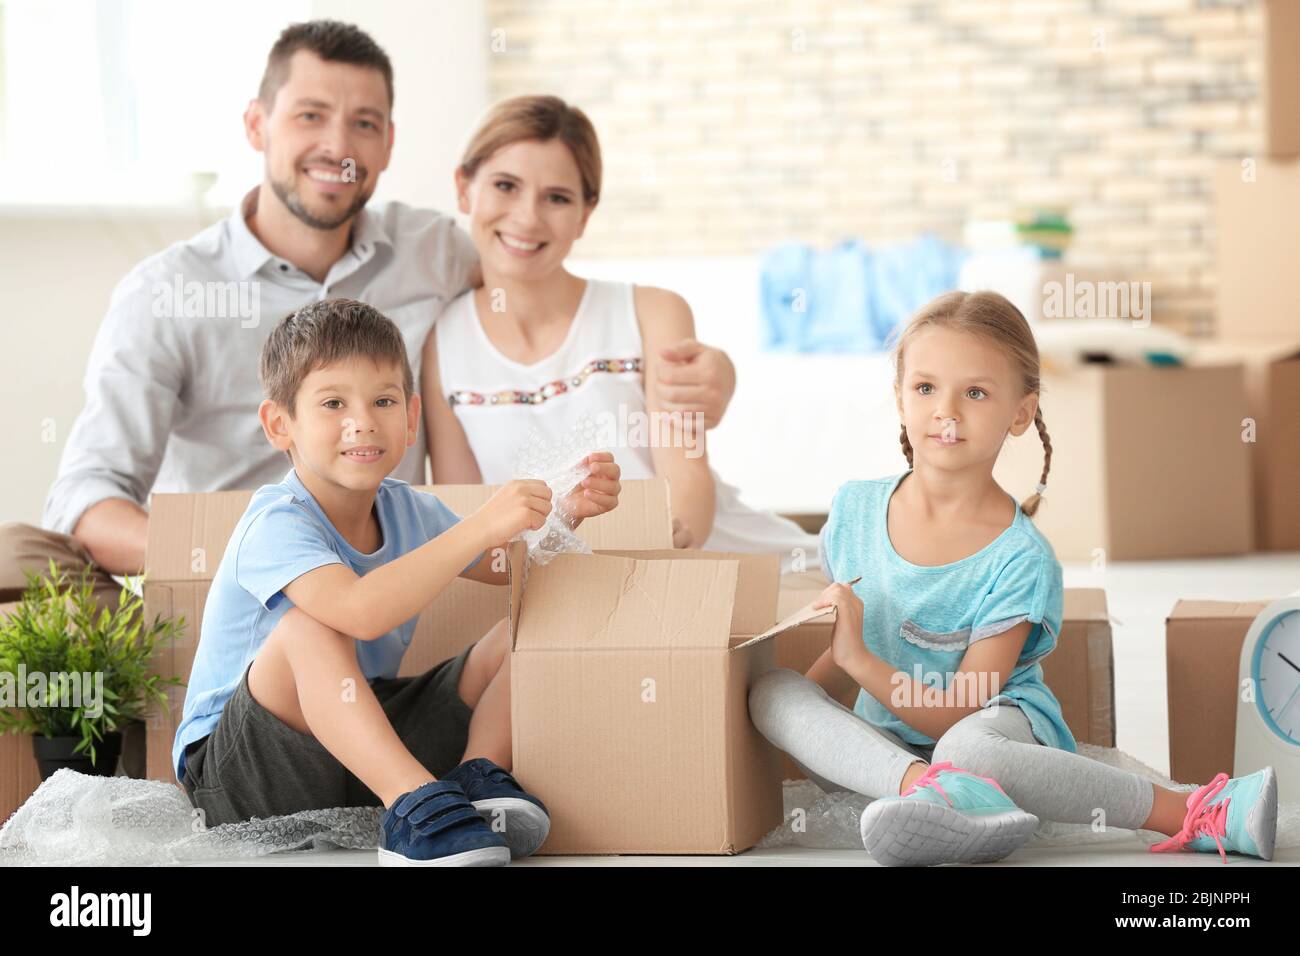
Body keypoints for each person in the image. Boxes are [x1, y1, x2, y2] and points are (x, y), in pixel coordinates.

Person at [0, 21, 733, 777]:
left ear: (388, 144)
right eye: (310, 115)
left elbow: (541, 270)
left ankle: (465, 781)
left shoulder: (434, 252)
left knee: (508, 624)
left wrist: (710, 379)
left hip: (391, 582)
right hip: (252, 599)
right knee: (24, 553)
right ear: (257, 124)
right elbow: (86, 503)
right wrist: (280, 561)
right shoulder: (167, 294)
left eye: (365, 123)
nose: (337, 144)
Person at [747, 290, 1278, 866]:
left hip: (991, 731)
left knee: (968, 752)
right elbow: (844, 653)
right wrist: (811, 721)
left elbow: (960, 707)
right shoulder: (853, 511)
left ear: (1020, 413)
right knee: (773, 691)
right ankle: (928, 795)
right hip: (894, 753)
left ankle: (1196, 810)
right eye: (925, 388)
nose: (946, 411)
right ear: (899, 398)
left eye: (975, 393)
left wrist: (858, 663)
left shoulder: (1020, 558)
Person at [174, 298, 623, 866]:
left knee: (523, 625)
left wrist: (563, 512)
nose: (361, 420)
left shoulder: (407, 508)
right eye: (333, 402)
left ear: (410, 419)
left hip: (352, 746)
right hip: (240, 775)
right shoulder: (276, 523)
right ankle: (414, 802)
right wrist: (483, 521)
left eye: (382, 401)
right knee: (309, 628)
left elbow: (503, 567)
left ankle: (472, 784)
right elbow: (359, 611)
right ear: (279, 425)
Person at [422, 94, 821, 575]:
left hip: (738, 573)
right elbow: (468, 524)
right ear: (464, 189)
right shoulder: (443, 344)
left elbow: (688, 505)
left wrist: (631, 565)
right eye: (506, 186)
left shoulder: (652, 313)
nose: (528, 217)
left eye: (557, 197)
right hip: (567, 598)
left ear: (585, 214)